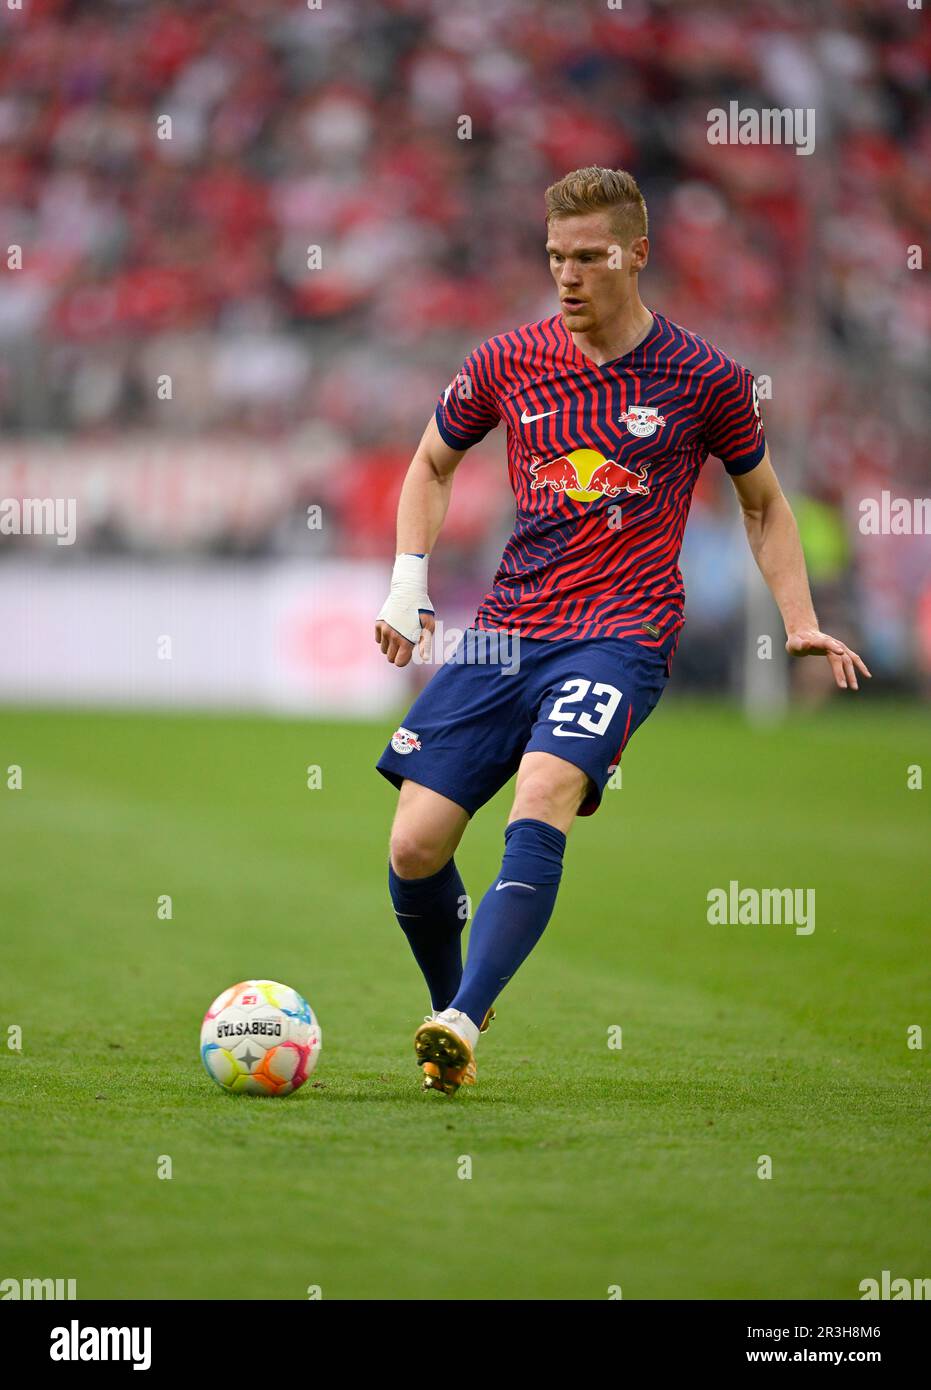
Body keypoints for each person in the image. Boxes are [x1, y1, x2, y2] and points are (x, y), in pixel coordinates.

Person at [374, 166, 870, 1096]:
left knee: (547, 783)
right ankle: (452, 1020)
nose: (567, 275)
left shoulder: (705, 377)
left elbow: (763, 507)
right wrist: (409, 583)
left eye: (589, 257)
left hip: (623, 631)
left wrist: (800, 620)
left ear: (636, 255)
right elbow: (431, 466)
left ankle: (463, 1017)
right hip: (509, 629)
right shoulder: (507, 360)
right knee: (413, 848)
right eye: (555, 255)